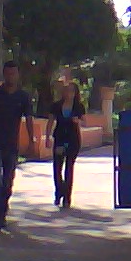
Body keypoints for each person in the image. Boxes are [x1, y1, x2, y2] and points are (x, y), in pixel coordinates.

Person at [0, 61, 34, 233]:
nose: (11, 77)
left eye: (14, 73)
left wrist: (32, 142)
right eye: (8, 73)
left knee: (7, 183)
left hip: (11, 145)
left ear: (17, 75)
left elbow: (29, 119)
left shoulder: (23, 97)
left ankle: (2, 212)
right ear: (4, 75)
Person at [49, 75, 86, 209]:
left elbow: (84, 121)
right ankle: (59, 191)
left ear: (75, 93)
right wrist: (48, 137)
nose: (68, 93)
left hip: (73, 139)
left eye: (71, 91)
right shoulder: (56, 106)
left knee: (69, 168)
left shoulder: (78, 107)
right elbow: (50, 121)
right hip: (59, 138)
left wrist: (78, 121)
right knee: (57, 168)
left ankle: (67, 197)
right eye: (66, 90)